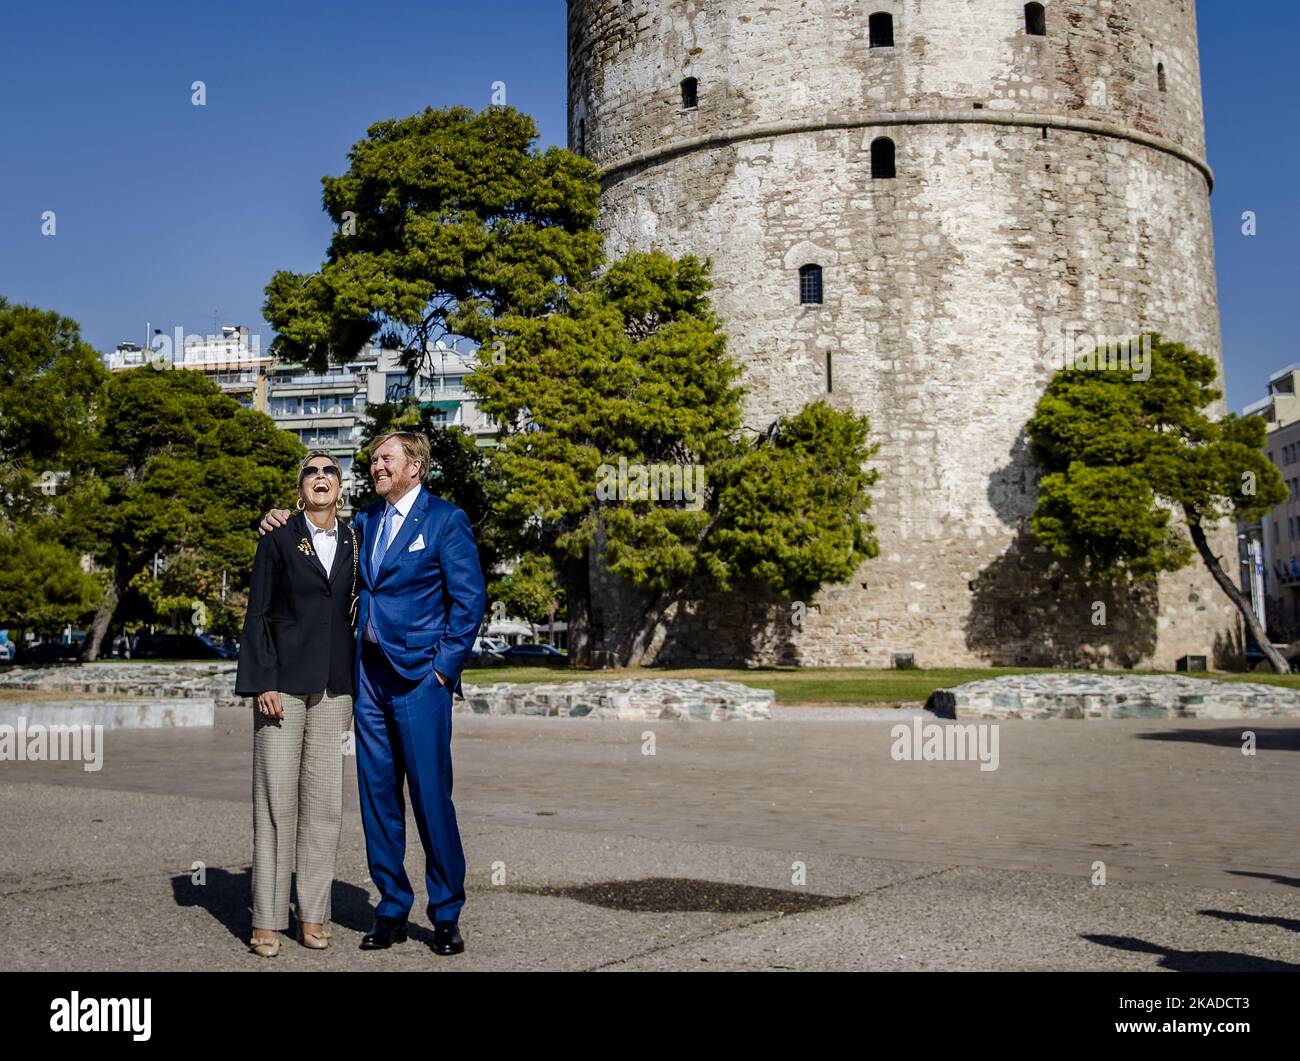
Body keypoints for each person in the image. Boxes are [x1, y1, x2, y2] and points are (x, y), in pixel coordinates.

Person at [260, 431, 486, 956]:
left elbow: (468, 601)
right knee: (377, 799)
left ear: (416, 466)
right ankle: (391, 907)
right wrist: (278, 517)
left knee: (431, 799)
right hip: (368, 681)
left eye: (386, 458)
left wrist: (443, 672)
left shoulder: (445, 520)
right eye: (374, 460)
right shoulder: (363, 522)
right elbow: (315, 533)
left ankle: (446, 911)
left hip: (420, 681)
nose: (376, 466)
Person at [237, 450, 359, 958]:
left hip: (336, 686)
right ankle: (266, 918)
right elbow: (258, 612)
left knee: (325, 806)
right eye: (312, 471)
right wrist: (262, 680)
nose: (321, 477)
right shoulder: (278, 537)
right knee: (276, 803)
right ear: (299, 486)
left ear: (341, 485)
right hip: (281, 686)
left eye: (330, 471)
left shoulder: (355, 538)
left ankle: (313, 913)